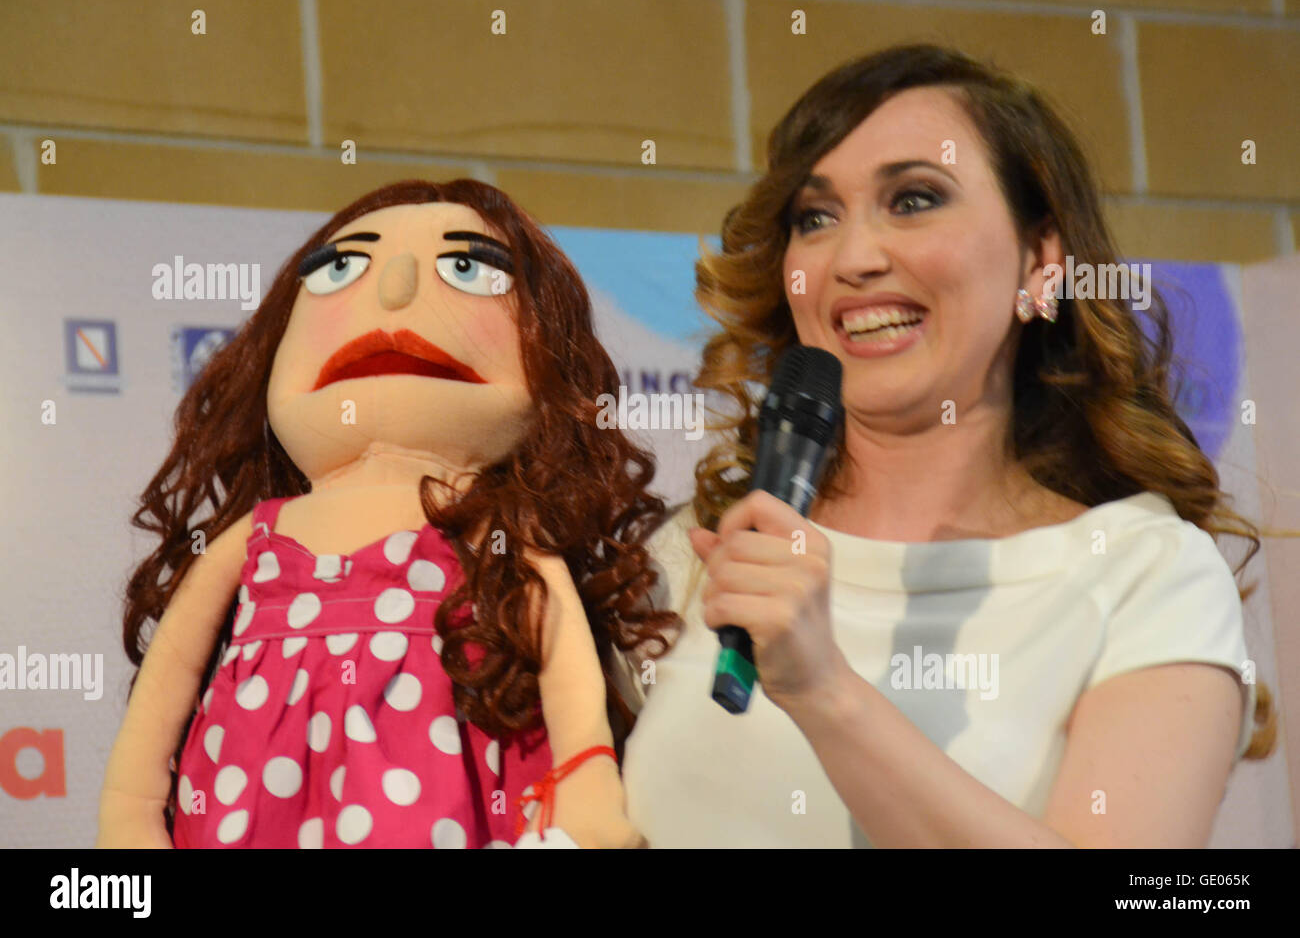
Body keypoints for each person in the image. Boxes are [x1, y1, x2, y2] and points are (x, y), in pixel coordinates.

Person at [613, 43, 1278, 848]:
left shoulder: (1143, 573)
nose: (854, 259)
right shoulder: (694, 557)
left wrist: (826, 692)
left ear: (1041, 263)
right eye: (814, 218)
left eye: (915, 199)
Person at [97, 179, 678, 849]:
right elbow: (164, 691)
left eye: (467, 268)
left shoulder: (489, 531)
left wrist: (585, 784)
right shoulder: (254, 542)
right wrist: (130, 813)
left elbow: (563, 663)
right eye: (341, 268)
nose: (397, 290)